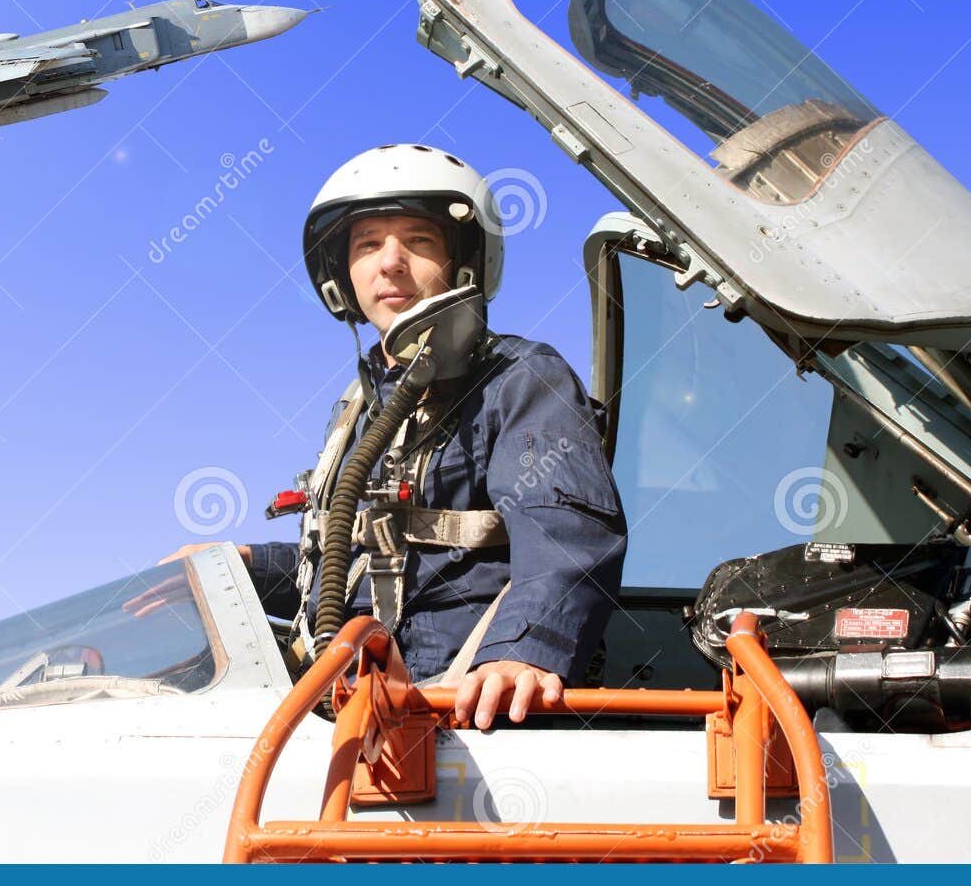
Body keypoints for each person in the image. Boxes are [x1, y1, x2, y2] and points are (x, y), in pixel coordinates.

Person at [161, 144, 625, 730]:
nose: (391, 262)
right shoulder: (359, 411)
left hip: (462, 717)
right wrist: (243, 564)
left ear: (465, 264)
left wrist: (522, 650)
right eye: (367, 244)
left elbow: (565, 533)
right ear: (341, 276)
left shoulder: (521, 379)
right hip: (349, 706)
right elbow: (351, 562)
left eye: (419, 241)